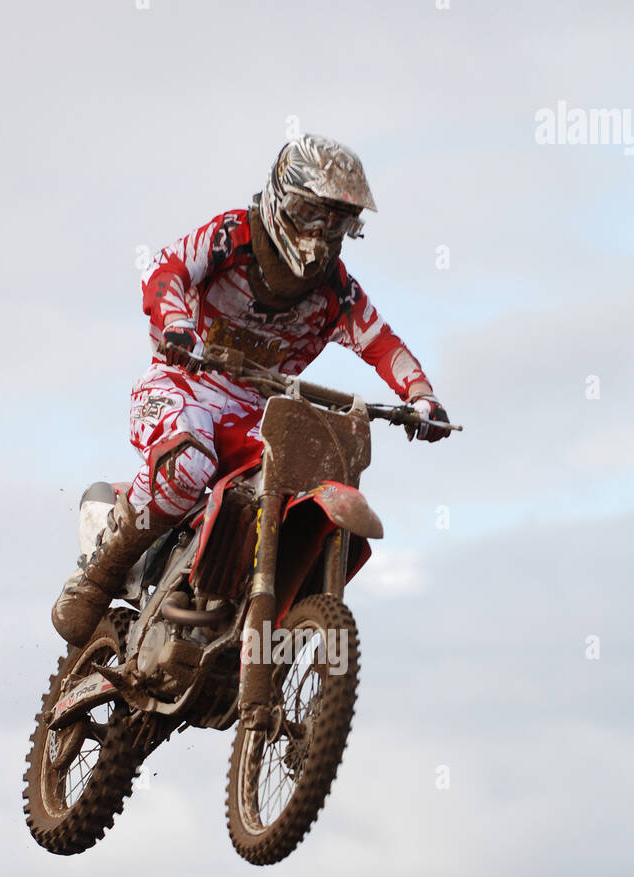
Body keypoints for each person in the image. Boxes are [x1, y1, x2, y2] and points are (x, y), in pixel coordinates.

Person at [52, 133, 452, 645]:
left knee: (297, 480)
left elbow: (381, 343)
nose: (322, 232)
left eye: (338, 221)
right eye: (313, 212)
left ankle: (244, 609)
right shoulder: (232, 237)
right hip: (184, 383)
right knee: (186, 468)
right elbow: (165, 270)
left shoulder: (337, 290)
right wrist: (176, 323)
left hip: (255, 412)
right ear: (283, 198)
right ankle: (98, 577)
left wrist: (422, 397)